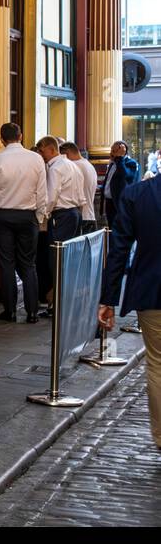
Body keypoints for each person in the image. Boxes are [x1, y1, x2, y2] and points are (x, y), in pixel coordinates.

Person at [100, 175, 161, 452]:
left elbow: (120, 249)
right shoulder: (135, 193)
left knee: (158, 364)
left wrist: (108, 298)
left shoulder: (138, 194)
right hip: (151, 290)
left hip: (152, 289)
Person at [0, 123, 47, 323]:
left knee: (7, 264)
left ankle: (9, 311)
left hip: (3, 215)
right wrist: (40, 215)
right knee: (28, 264)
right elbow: (42, 191)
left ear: (1, 139)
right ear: (21, 136)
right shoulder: (36, 159)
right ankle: (33, 312)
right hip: (28, 216)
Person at [37, 135, 88, 255]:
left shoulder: (55, 168)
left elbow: (52, 196)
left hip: (62, 215)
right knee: (71, 255)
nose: (40, 155)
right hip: (75, 213)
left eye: (42, 151)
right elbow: (81, 194)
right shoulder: (72, 165)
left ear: (51, 149)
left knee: (57, 254)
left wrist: (43, 215)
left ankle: (57, 275)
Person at [103, 140, 140, 226]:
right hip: (109, 202)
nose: (111, 153)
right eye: (111, 150)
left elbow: (126, 176)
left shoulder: (131, 163)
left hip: (121, 204)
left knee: (120, 229)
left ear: (123, 151)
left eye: (114, 151)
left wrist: (120, 158)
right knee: (111, 228)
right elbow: (109, 181)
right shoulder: (113, 164)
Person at [62, 143, 99, 231]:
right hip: (90, 216)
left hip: (81, 217)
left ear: (66, 153)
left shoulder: (74, 166)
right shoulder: (89, 165)